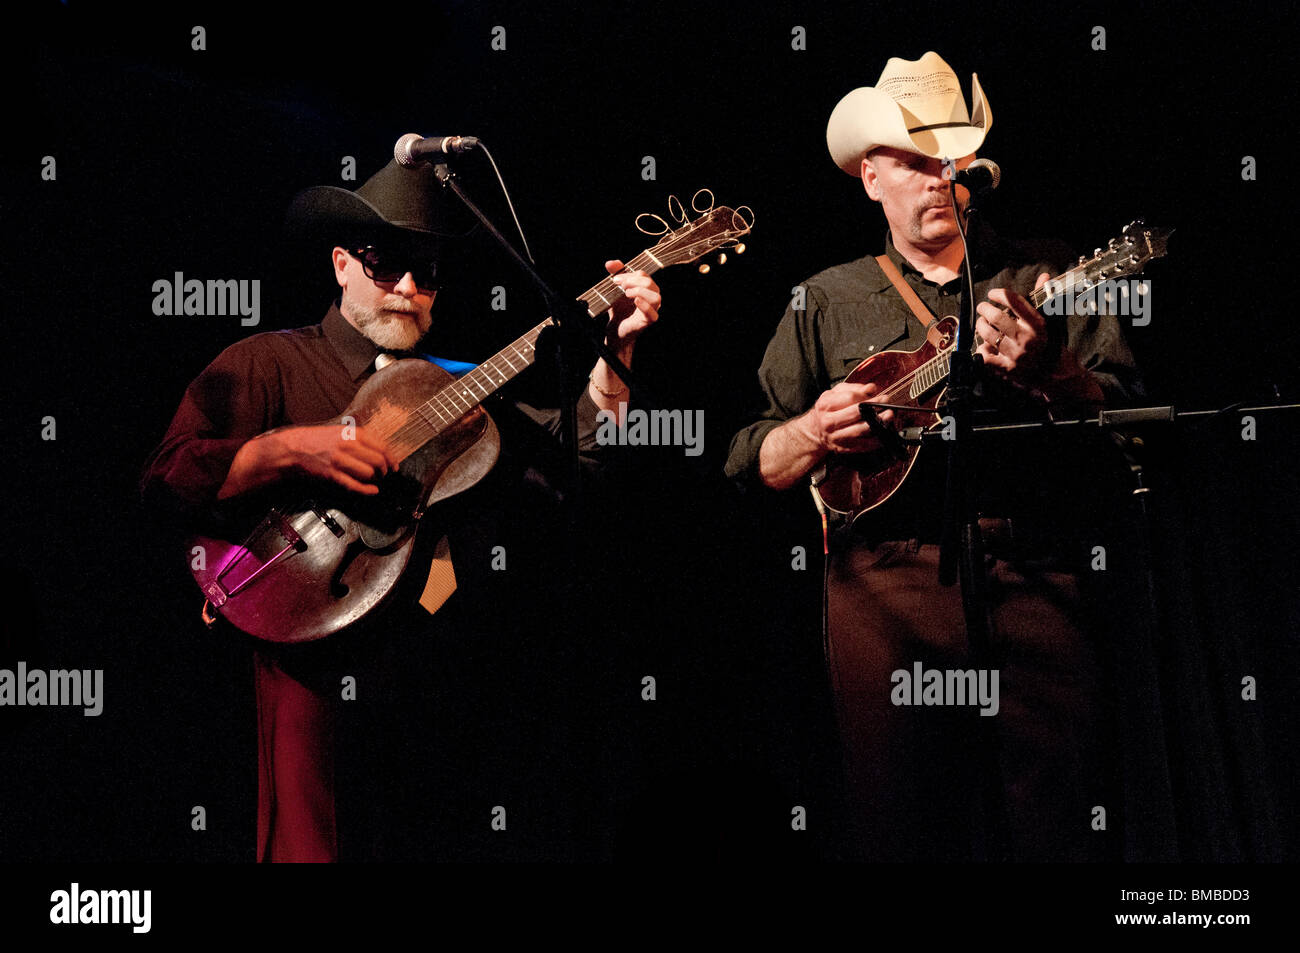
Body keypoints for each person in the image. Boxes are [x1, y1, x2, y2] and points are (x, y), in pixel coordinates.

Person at [141, 155, 661, 861]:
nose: (409, 286)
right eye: (386, 262)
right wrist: (289, 447)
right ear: (341, 266)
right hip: (311, 662)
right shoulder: (269, 361)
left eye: (429, 271)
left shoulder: (457, 390)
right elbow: (167, 475)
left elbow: (579, 460)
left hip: (436, 673)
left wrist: (615, 352)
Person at [726, 52, 1144, 861]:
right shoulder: (826, 297)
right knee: (906, 828)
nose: (936, 179)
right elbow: (751, 457)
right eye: (915, 162)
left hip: (1036, 569)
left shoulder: (1044, 275)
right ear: (871, 175)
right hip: (883, 583)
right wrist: (813, 430)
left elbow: (1128, 422)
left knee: (1064, 819)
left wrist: (1052, 371)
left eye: (949, 160)